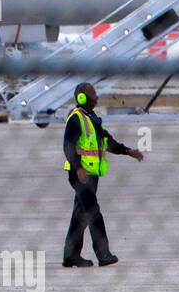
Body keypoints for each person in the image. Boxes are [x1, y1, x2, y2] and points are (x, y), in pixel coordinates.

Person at [61, 82, 144, 268]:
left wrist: (128, 151)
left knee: (80, 214)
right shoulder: (76, 119)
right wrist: (78, 168)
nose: (96, 96)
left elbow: (107, 141)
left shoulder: (91, 118)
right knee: (93, 212)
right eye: (92, 93)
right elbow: (68, 145)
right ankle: (103, 254)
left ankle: (70, 255)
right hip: (80, 174)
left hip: (90, 173)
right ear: (82, 97)